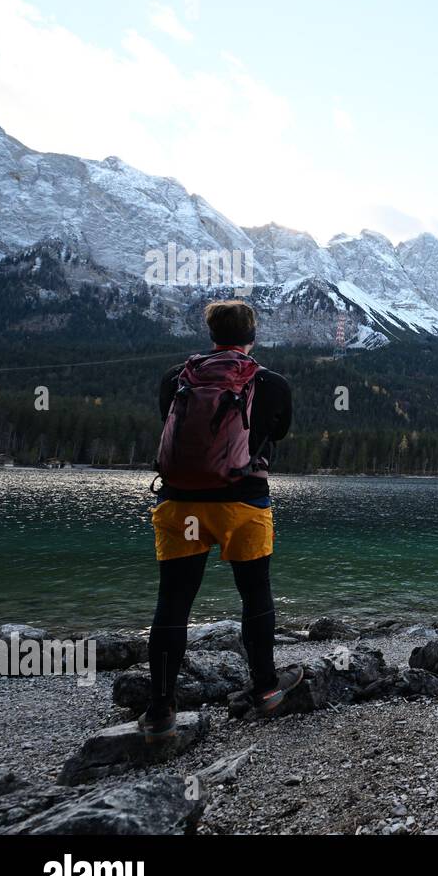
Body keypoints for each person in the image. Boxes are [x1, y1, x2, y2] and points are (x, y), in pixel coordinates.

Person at [139, 300, 303, 740]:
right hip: (243, 505)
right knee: (255, 594)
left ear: (211, 333)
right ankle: (266, 689)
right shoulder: (271, 382)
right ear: (253, 334)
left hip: (180, 505)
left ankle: (159, 710)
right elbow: (279, 430)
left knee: (173, 601)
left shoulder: (177, 379)